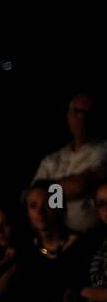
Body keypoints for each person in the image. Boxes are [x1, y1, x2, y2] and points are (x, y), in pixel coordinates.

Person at [31, 91, 106, 234]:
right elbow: (33, 197)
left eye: (88, 113)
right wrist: (55, 195)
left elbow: (80, 186)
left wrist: (46, 189)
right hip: (56, 238)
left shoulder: (103, 150)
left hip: (91, 237)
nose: (82, 118)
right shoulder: (52, 159)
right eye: (77, 112)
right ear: (68, 116)